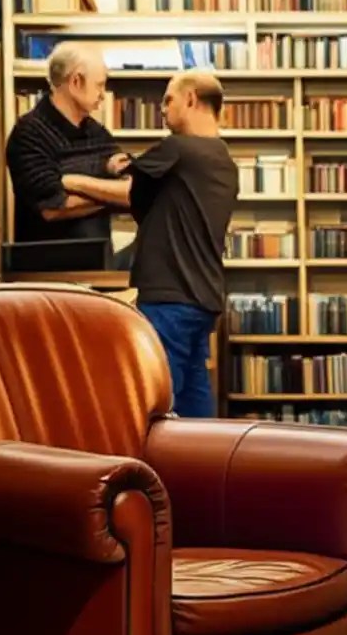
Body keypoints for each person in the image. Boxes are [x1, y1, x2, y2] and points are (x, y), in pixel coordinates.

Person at [61, 72, 237, 418]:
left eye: (168, 100)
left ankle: (153, 456)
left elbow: (129, 191)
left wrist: (71, 180)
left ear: (190, 99)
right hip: (203, 296)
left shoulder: (179, 149)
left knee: (157, 401)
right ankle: (204, 454)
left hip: (169, 295)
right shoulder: (223, 160)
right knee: (193, 397)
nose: (162, 109)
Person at [5, 41, 128, 259]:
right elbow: (53, 207)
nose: (103, 94)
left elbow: (134, 190)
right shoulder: (29, 133)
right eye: (99, 85)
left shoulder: (98, 133)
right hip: (48, 268)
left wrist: (74, 182)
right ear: (76, 82)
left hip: (99, 267)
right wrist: (110, 194)